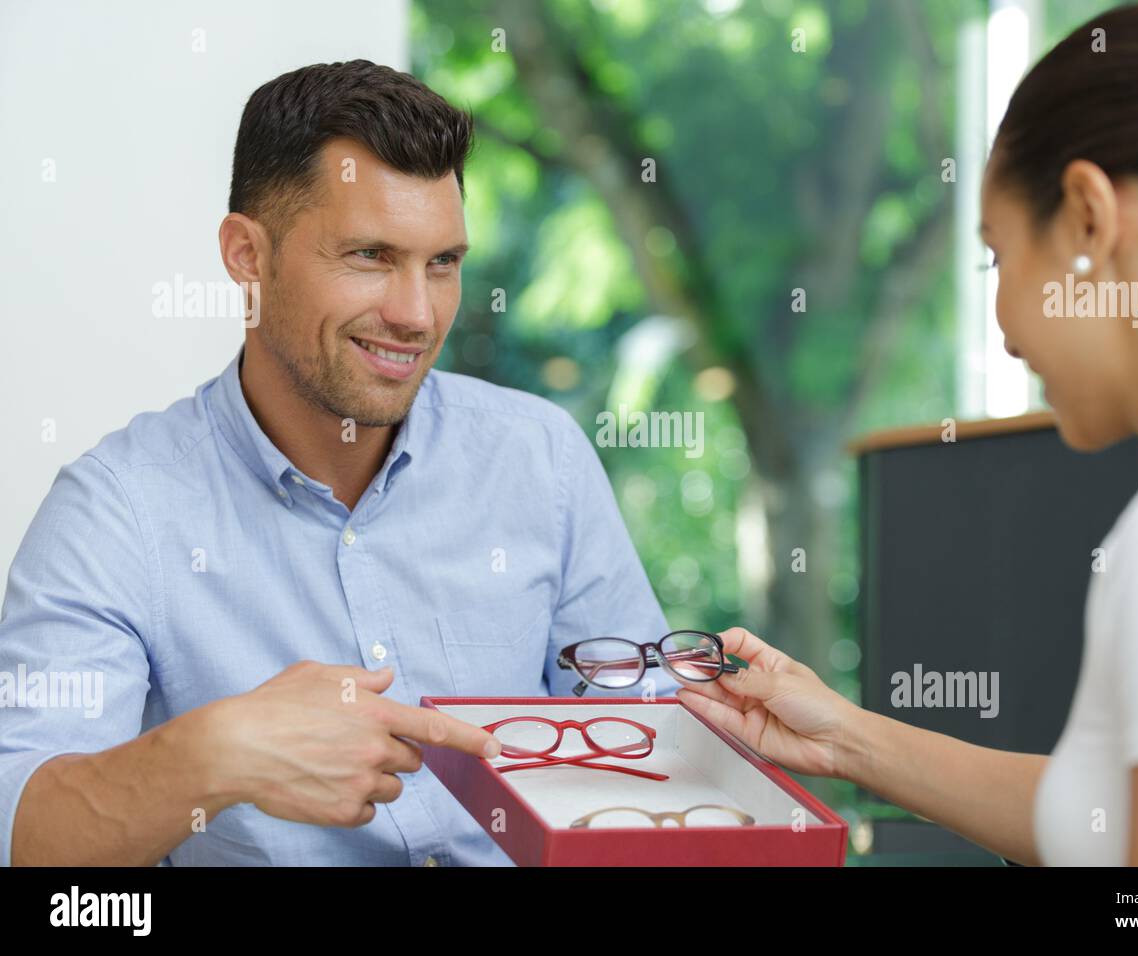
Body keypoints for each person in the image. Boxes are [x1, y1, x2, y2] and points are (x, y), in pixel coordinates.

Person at [0, 60, 677, 867]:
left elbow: (648, 756)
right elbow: (24, 833)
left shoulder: (542, 458)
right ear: (247, 256)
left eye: (443, 263)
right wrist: (220, 750)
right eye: (368, 256)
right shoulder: (117, 509)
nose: (416, 315)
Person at [679, 2, 1138, 865]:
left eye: (996, 258)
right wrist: (848, 741)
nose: (1004, 326)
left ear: (1088, 216)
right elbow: (1115, 820)